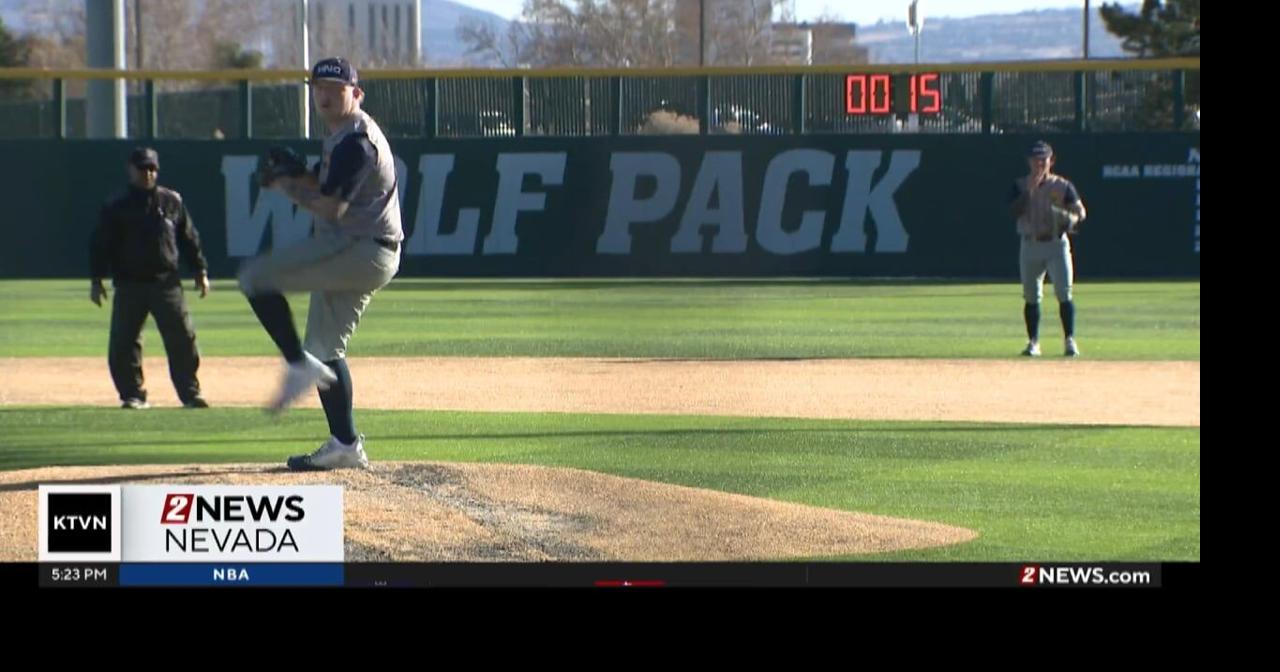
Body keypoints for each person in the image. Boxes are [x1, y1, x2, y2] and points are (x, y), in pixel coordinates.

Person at [238, 57, 402, 471]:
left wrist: (287, 186)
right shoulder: (341, 136)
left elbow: (330, 207)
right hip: (364, 249)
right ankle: (345, 444)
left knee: (255, 277)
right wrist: (293, 178)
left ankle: (296, 364)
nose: (325, 94)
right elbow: (322, 186)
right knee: (326, 350)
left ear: (356, 93)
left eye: (336, 87)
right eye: (318, 86)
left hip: (360, 249)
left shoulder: (357, 142)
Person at [90, 147, 211, 409]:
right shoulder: (116, 205)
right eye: (143, 168)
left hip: (166, 283)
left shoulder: (171, 202)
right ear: (130, 170)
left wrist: (200, 270)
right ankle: (132, 394)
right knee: (124, 343)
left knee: (182, 338)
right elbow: (101, 244)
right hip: (129, 283)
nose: (148, 173)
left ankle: (190, 393)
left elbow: (189, 238)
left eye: (152, 169)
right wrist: (96, 279)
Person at [1007, 140, 1087, 358]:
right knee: (1031, 295)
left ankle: (1069, 340)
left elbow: (1081, 211)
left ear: (1051, 161)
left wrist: (1070, 218)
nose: (1039, 164)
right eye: (1035, 160)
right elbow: (1013, 212)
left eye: (1043, 160)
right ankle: (1033, 342)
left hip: (1055, 243)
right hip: (1030, 243)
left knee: (1064, 292)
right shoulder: (1020, 184)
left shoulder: (1062, 185)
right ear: (1029, 162)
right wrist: (1029, 192)